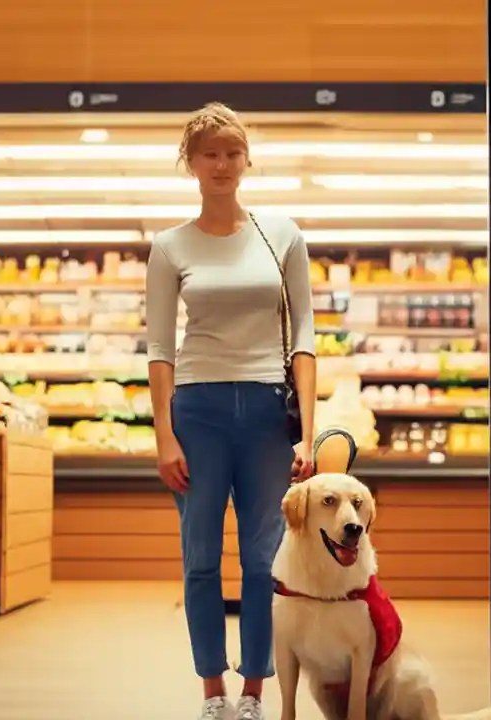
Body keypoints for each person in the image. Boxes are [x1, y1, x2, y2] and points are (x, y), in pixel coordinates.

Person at [145, 102, 318, 720]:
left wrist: (308, 436)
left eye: (232, 153)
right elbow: (160, 348)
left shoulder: (282, 235)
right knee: (199, 559)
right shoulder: (170, 246)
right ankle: (212, 691)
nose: (221, 164)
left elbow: (305, 337)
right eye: (209, 154)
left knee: (262, 558)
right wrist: (165, 436)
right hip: (197, 409)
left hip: (268, 410)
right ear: (190, 163)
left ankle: (254, 692)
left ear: (247, 160)